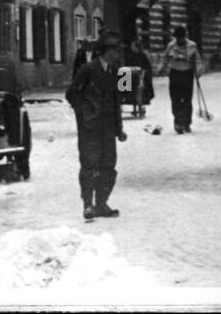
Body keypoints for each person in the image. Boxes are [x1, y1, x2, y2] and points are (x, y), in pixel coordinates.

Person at [65, 32, 127, 220]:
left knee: (108, 165)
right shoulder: (88, 69)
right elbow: (71, 93)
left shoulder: (117, 71)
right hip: (90, 126)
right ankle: (88, 205)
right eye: (116, 51)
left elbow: (120, 100)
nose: (118, 54)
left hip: (108, 127)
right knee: (89, 165)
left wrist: (119, 128)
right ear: (106, 52)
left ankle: (101, 203)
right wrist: (83, 112)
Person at [157, 25, 204, 133]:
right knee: (175, 99)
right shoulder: (171, 46)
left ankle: (187, 123)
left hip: (187, 74)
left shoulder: (192, 46)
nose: (180, 40)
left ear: (185, 36)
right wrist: (160, 67)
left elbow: (198, 60)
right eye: (178, 38)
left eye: (181, 38)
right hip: (174, 74)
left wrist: (199, 71)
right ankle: (178, 122)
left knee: (187, 99)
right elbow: (164, 57)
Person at [120, 37, 154, 118]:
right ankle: (123, 96)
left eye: (133, 46)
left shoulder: (143, 56)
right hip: (131, 76)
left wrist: (142, 73)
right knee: (123, 77)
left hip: (141, 77)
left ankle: (137, 100)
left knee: (138, 85)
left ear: (137, 47)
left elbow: (146, 68)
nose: (131, 48)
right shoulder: (130, 56)